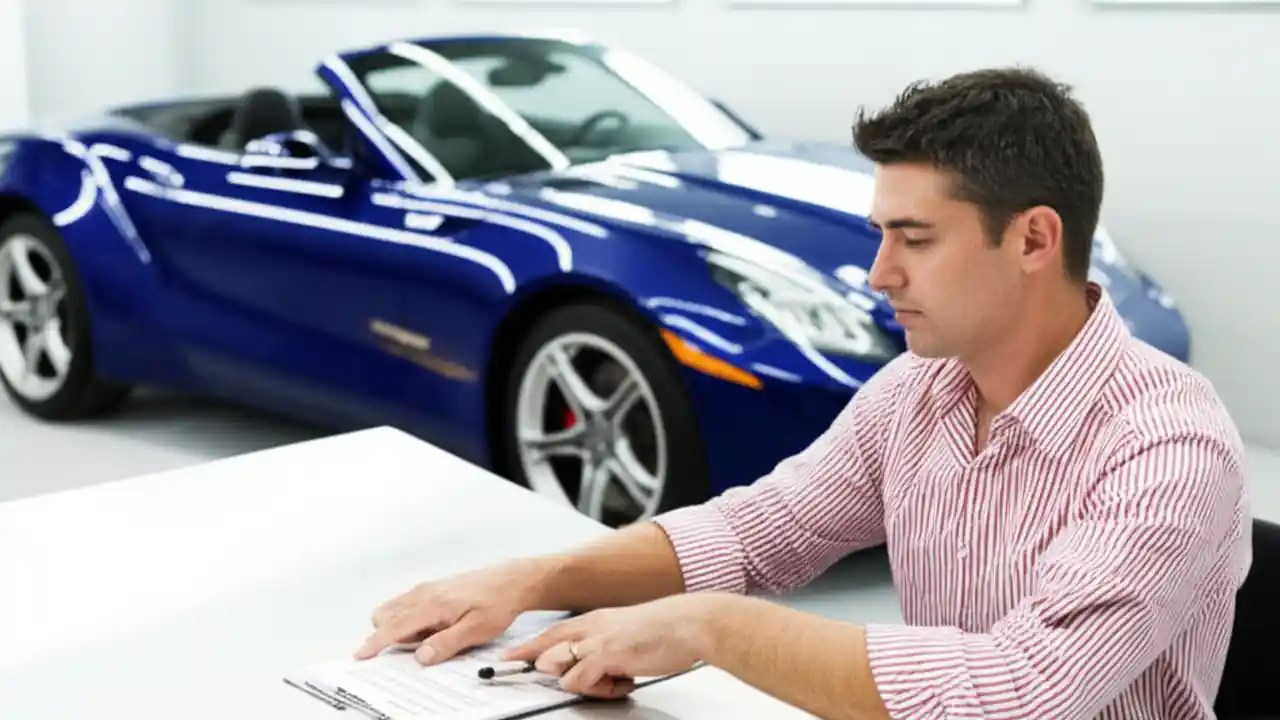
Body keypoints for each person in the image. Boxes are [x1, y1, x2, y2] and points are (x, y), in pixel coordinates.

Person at [354, 67, 1251, 719]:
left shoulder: (1167, 448)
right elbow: (754, 533)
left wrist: (711, 628)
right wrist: (532, 577)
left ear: (1032, 240)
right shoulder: (917, 393)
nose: (876, 273)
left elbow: (1020, 694)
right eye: (879, 235)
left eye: (915, 239)